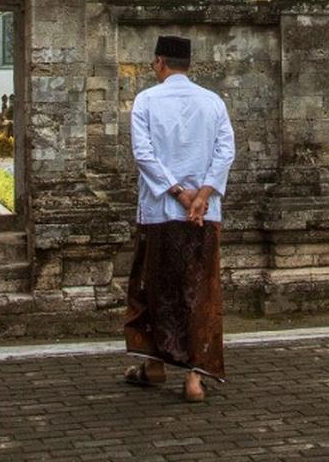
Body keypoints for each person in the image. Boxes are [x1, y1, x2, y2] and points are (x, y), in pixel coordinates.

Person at [123, 34, 235, 403]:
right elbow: (225, 153)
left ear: (159, 63)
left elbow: (144, 154)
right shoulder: (212, 102)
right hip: (203, 215)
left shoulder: (146, 101)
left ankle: (154, 365)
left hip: (159, 213)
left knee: (152, 289)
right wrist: (202, 195)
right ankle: (194, 378)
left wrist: (176, 191)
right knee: (199, 293)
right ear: (189, 65)